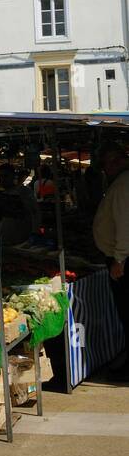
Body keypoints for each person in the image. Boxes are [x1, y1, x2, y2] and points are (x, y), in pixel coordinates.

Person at [92, 144, 129, 381]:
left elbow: (125, 224)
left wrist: (119, 259)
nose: (105, 170)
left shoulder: (123, 185)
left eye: (106, 165)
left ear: (116, 162)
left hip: (124, 260)